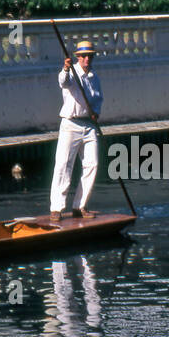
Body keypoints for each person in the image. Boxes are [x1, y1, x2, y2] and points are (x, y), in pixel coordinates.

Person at [51, 39, 102, 222]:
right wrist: (65, 68)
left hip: (88, 125)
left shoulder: (94, 77)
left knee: (92, 164)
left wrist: (96, 113)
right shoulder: (71, 72)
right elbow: (63, 82)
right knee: (64, 164)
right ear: (78, 57)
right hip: (70, 124)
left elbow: (98, 98)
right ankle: (57, 207)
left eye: (90, 56)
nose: (87, 59)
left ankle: (80, 206)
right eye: (83, 56)